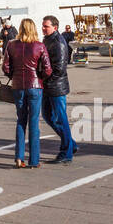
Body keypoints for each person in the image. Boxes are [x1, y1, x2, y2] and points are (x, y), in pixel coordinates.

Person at [2, 17, 51, 168]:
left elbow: (5, 67)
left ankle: (19, 157)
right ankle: (34, 160)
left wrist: (14, 76)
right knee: (34, 123)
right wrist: (40, 78)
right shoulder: (39, 46)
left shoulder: (11, 45)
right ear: (34, 29)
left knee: (21, 121)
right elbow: (48, 69)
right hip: (35, 86)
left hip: (18, 86)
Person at [41, 15, 75, 162]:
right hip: (48, 86)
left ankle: (66, 152)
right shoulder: (46, 40)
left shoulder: (58, 42)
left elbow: (59, 69)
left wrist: (46, 80)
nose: (43, 28)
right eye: (42, 25)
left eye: (46, 26)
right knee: (48, 117)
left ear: (55, 27)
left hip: (56, 87)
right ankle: (71, 144)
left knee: (61, 119)